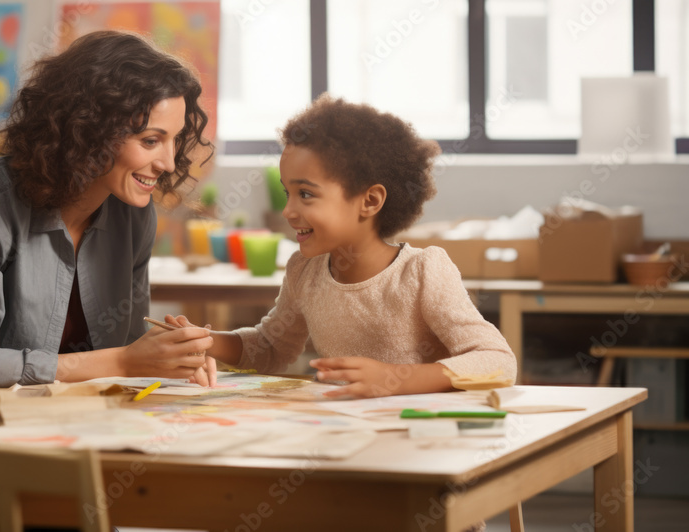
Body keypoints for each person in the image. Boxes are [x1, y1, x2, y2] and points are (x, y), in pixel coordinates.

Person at [0, 31, 215, 389]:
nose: (170, 163)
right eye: (150, 140)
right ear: (90, 129)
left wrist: (169, 356)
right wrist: (125, 361)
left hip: (44, 418)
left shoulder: (134, 214)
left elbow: (122, 353)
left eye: (174, 139)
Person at [169, 95, 517, 399]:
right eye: (287, 193)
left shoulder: (422, 271)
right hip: (347, 431)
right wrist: (205, 340)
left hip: (418, 437)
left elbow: (497, 362)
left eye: (305, 194)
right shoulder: (304, 271)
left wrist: (395, 380)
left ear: (370, 200)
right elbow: (270, 347)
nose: (288, 210)